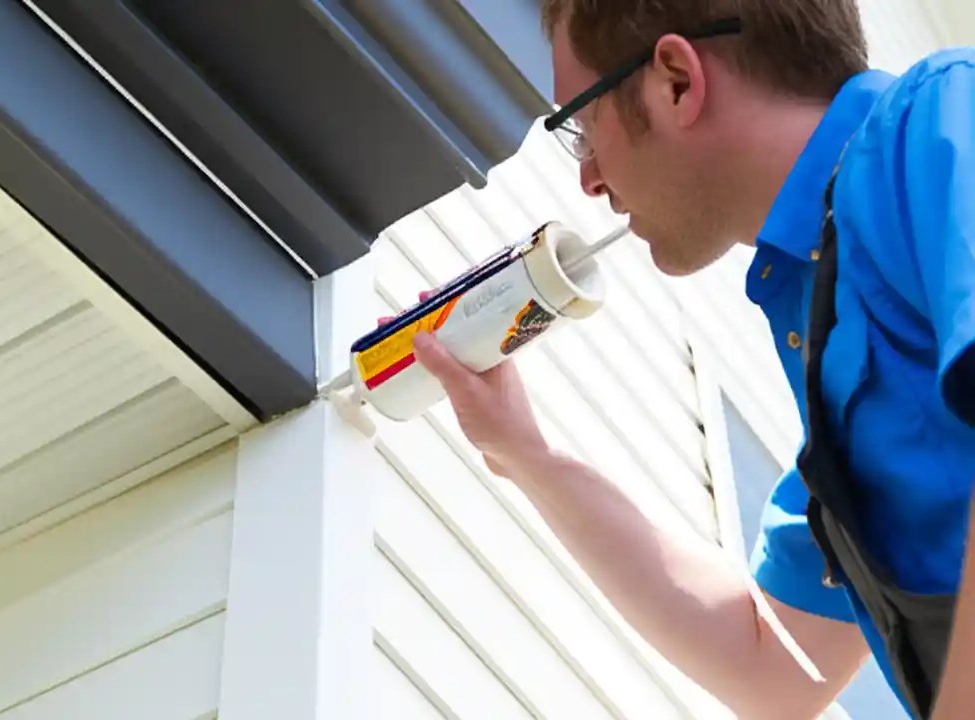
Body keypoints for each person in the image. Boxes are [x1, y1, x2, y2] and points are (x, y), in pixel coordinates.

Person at [402, 2, 975, 718]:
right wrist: (523, 453)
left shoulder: (950, 112)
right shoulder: (825, 330)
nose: (589, 179)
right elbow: (770, 664)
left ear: (675, 80)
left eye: (581, 126)